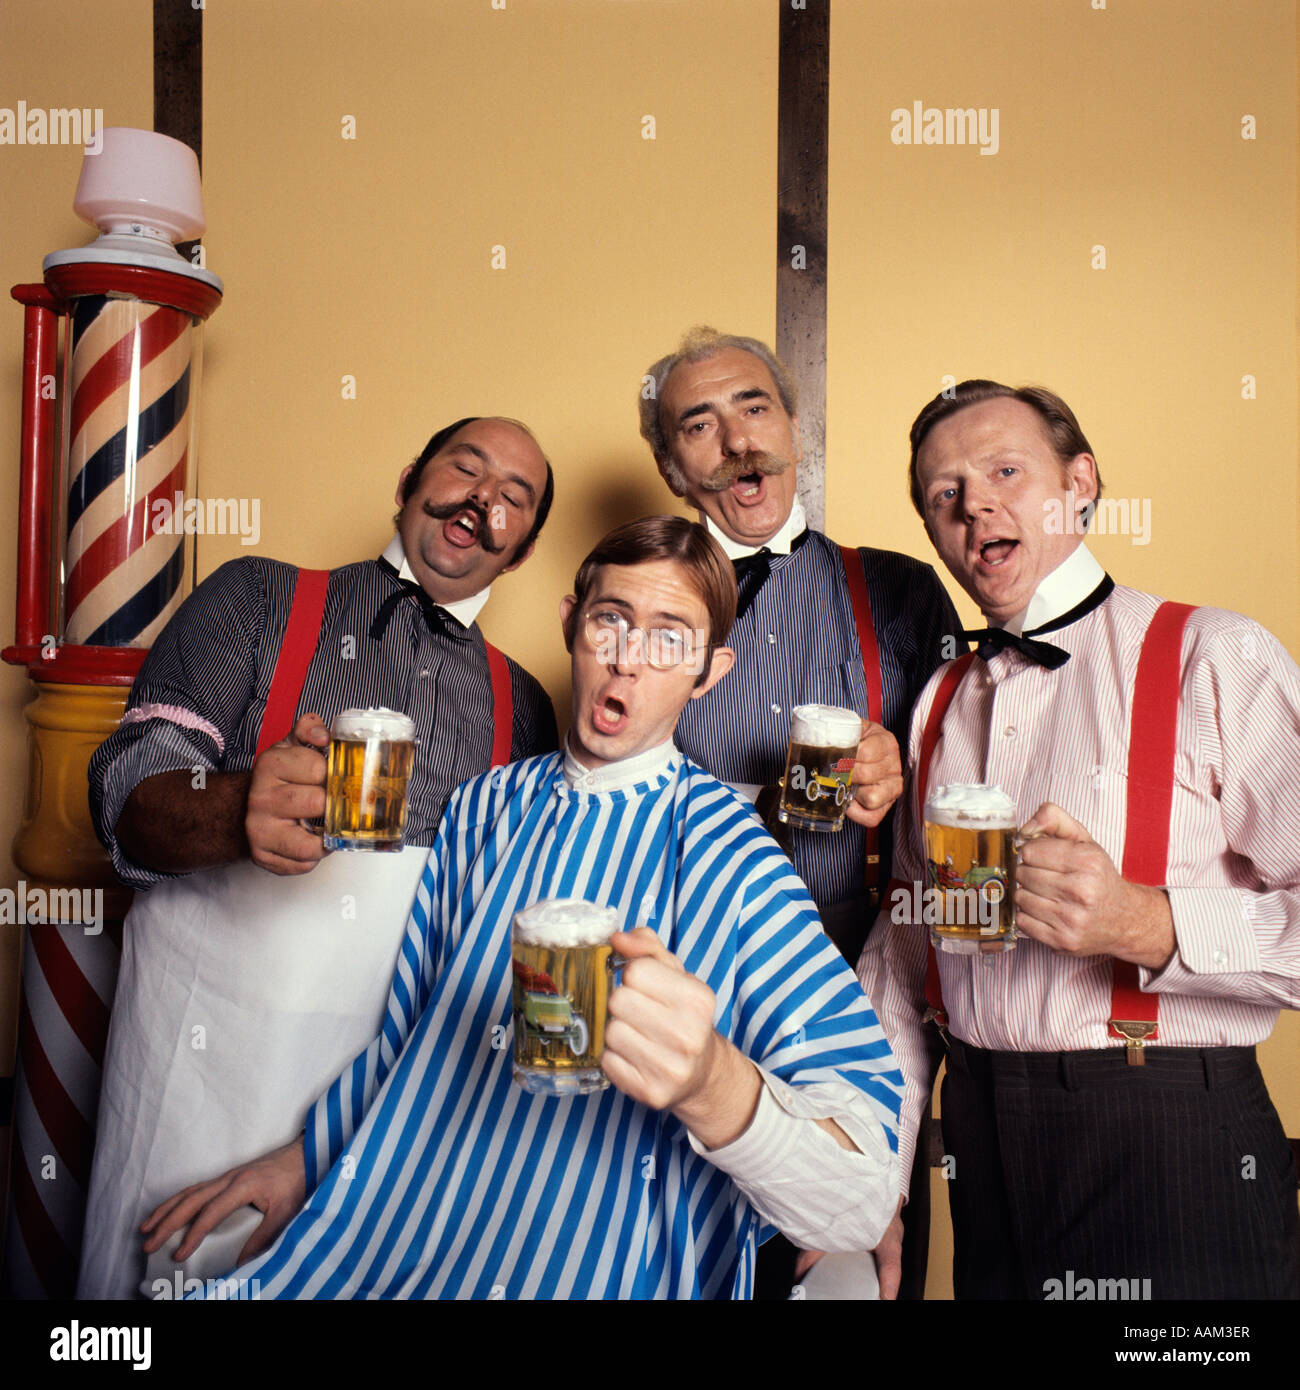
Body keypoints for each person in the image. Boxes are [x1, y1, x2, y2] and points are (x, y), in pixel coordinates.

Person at [141, 517, 902, 1300]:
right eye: (611, 620)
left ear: (709, 673)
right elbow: (413, 1029)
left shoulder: (734, 858)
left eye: (671, 640)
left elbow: (863, 1194)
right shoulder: (483, 806)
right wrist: (304, 1160)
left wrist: (714, 1084)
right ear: (572, 623)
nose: (628, 660)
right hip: (400, 1234)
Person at [77, 416, 559, 1299]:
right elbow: (125, 792)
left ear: (520, 550)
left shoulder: (525, 705)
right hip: (203, 1075)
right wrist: (233, 809)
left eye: (515, 499)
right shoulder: (257, 599)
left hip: (383, 1114)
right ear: (412, 477)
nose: (484, 501)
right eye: (467, 468)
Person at [858, 379, 1300, 1299]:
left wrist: (1151, 926)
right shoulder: (937, 701)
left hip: (1169, 1143)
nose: (973, 503)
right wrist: (872, 1184)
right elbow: (904, 959)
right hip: (975, 1135)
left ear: (1081, 484)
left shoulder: (1213, 654)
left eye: (1004, 470)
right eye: (943, 494)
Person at [640, 327, 962, 1298]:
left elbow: (972, 796)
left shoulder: (899, 590)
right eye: (699, 424)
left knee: (851, 1274)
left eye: (754, 408)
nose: (737, 441)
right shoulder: (643, 603)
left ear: (792, 427)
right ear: (670, 466)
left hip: (870, 1007)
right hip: (698, 1002)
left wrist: (905, 776)